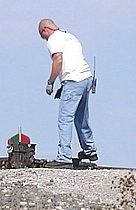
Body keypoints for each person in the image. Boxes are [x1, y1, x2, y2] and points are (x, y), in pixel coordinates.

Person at [38, 18, 98, 164]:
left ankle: (64, 156)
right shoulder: (70, 37)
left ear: (45, 29)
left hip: (73, 81)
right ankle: (90, 150)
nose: (44, 39)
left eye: (42, 35)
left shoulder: (53, 39)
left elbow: (58, 60)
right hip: (86, 78)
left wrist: (50, 82)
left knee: (65, 120)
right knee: (81, 118)